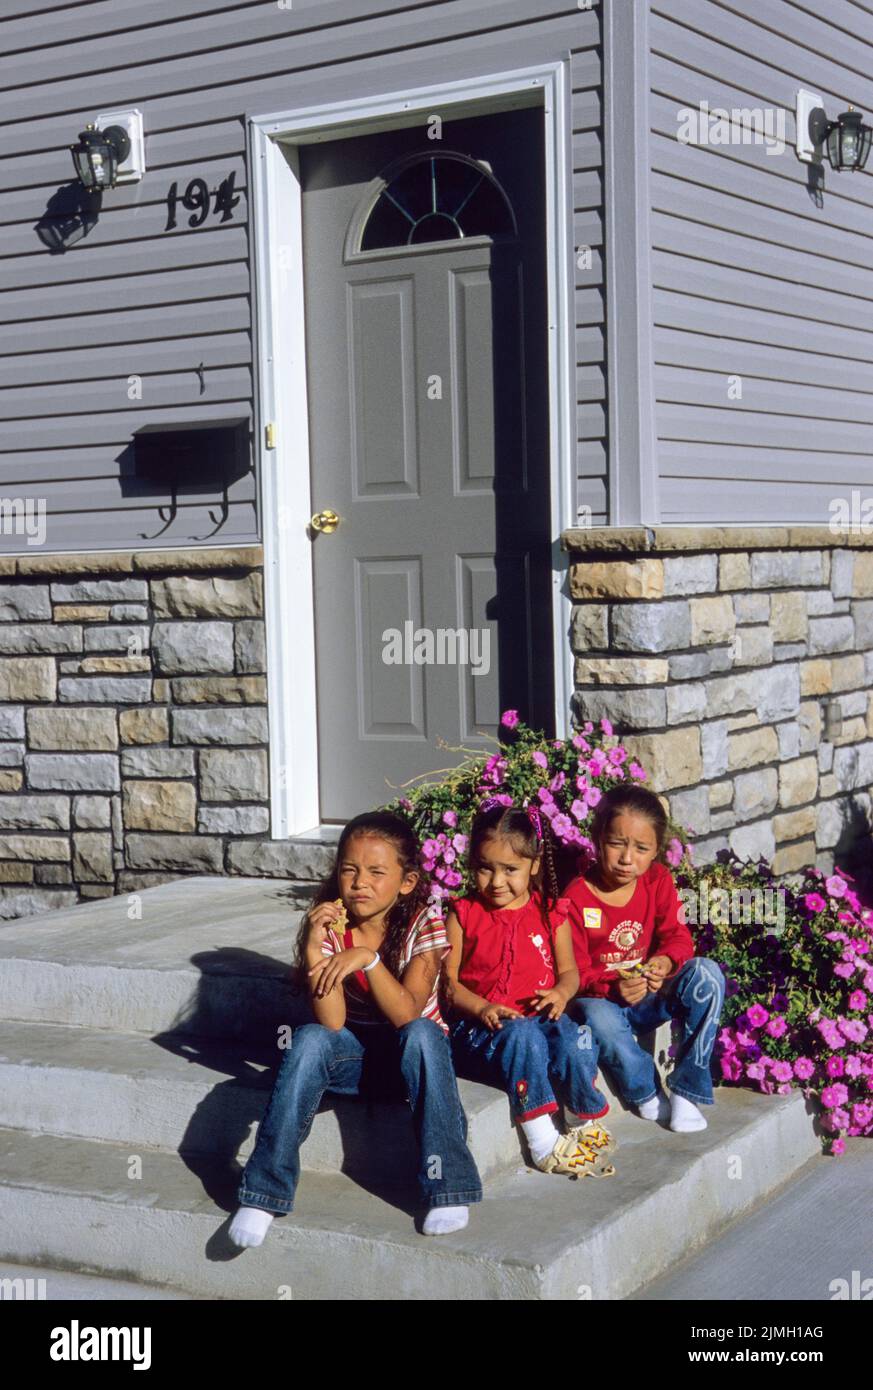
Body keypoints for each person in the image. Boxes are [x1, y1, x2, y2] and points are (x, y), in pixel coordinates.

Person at [229, 811, 482, 1248]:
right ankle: (264, 1191)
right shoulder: (330, 921)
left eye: (376, 872)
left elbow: (407, 1014)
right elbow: (332, 1022)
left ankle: (448, 1187)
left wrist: (368, 958)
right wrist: (314, 946)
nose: (359, 882)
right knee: (308, 1038)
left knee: (423, 1034)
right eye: (350, 869)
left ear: (406, 882)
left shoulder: (426, 921)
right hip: (353, 1062)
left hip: (411, 1064)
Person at [442, 800, 617, 1178]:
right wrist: (482, 1007)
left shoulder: (552, 913)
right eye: (484, 868)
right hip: (481, 1032)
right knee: (523, 1037)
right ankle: (542, 1141)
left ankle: (581, 1116)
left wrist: (560, 993)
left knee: (575, 1036)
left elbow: (570, 972)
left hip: (538, 1022)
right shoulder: (463, 914)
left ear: (534, 865)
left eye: (510, 870)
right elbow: (449, 985)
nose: (497, 881)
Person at [563, 785, 725, 1133]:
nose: (627, 858)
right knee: (597, 1015)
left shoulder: (657, 881)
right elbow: (573, 970)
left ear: (656, 852)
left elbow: (678, 937)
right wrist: (614, 986)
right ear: (597, 838)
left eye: (641, 848)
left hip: (651, 995)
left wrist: (665, 961)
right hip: (605, 1001)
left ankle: (686, 1090)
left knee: (707, 975)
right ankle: (644, 1088)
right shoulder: (576, 896)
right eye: (617, 843)